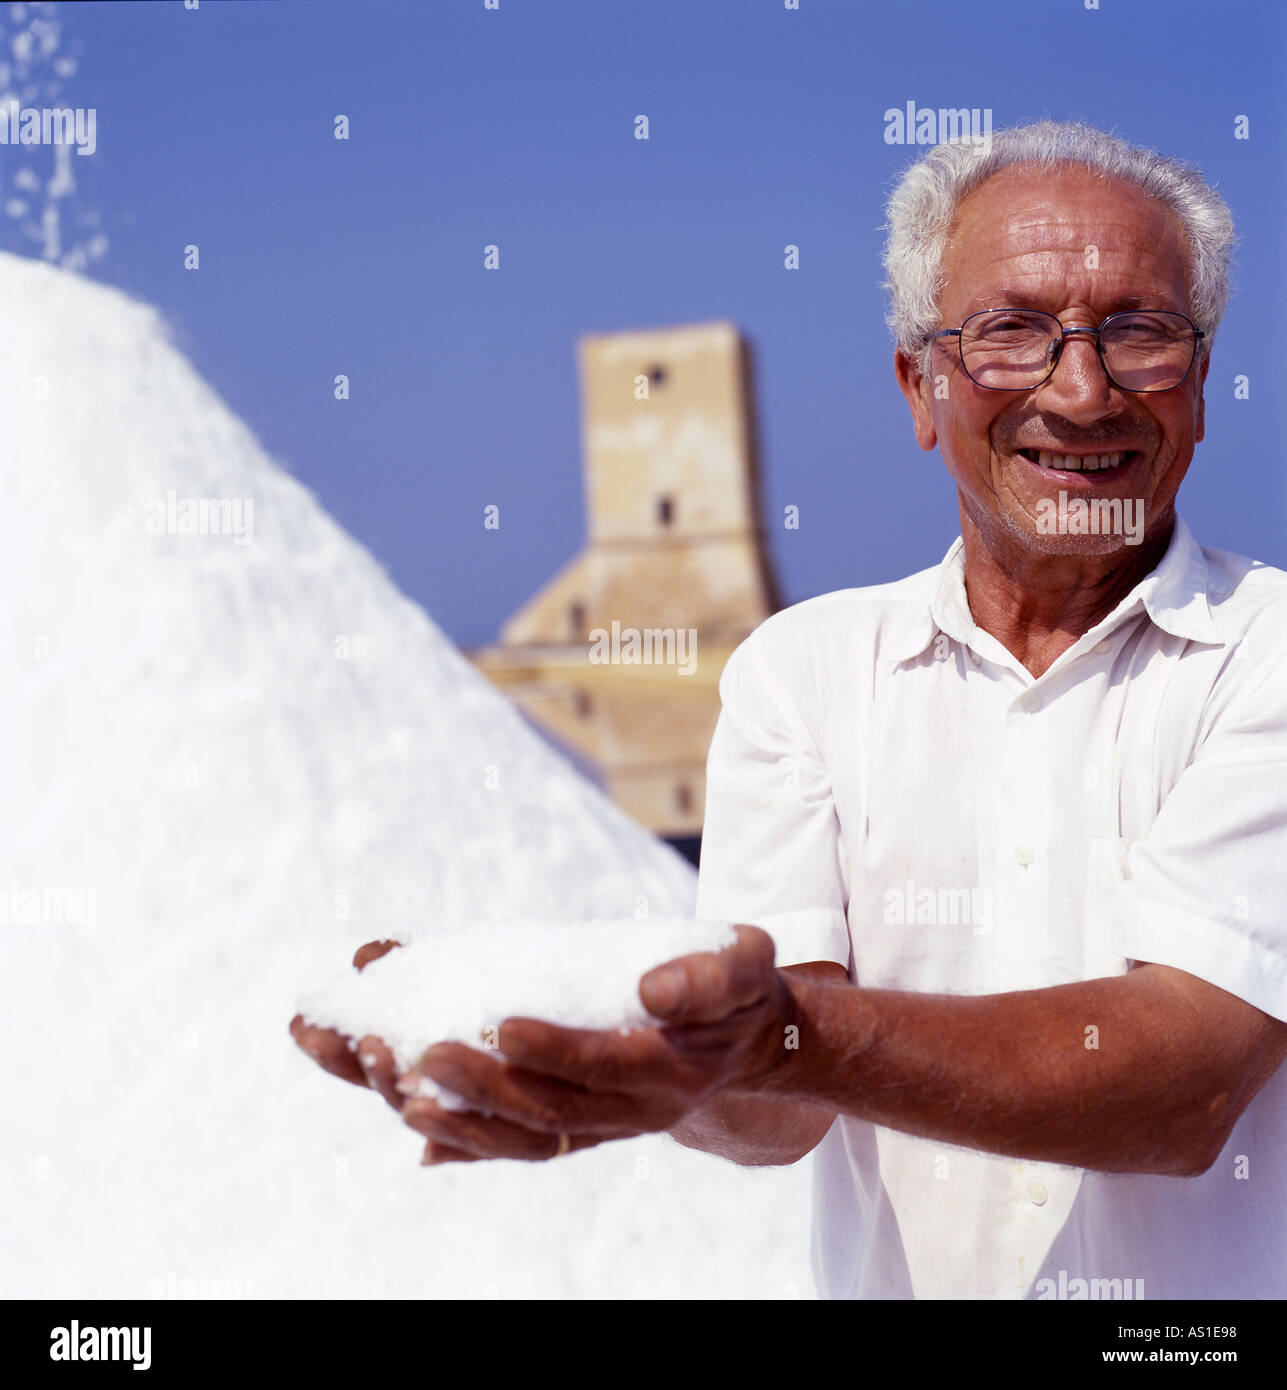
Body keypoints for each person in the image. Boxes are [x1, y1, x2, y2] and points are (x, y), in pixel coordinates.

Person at [292, 120, 1287, 1300]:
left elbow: (1184, 1086)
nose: (1083, 389)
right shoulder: (797, 675)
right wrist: (669, 1067)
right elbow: (777, 1117)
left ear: (1203, 387)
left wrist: (784, 1033)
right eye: (1014, 333)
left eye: (1141, 332)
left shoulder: (1266, 658)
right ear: (921, 386)